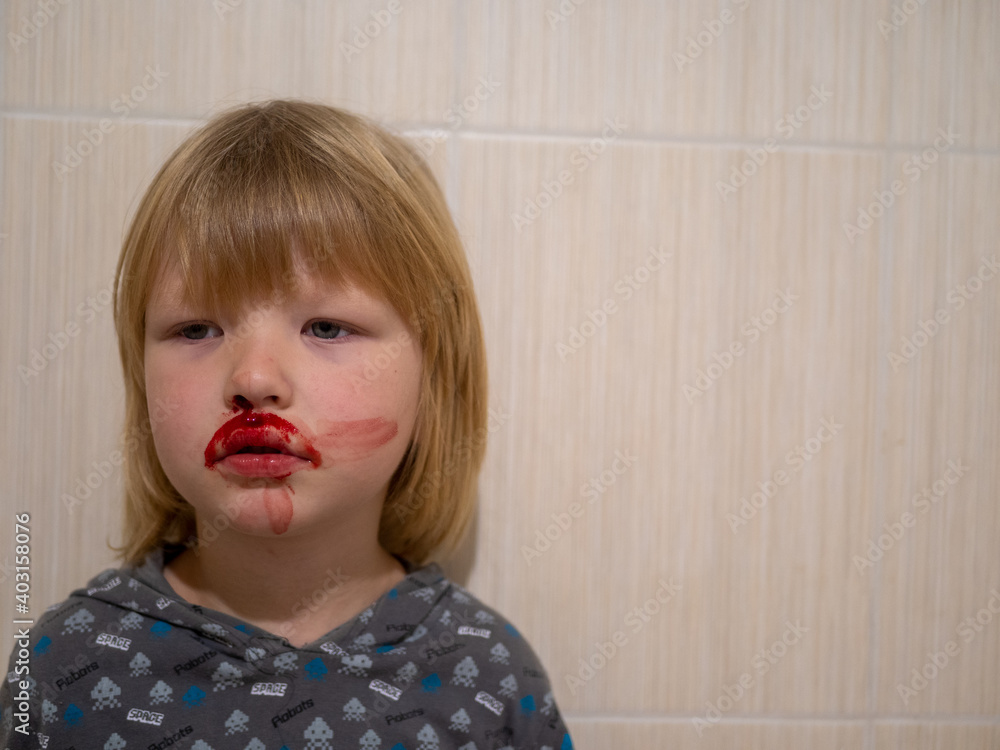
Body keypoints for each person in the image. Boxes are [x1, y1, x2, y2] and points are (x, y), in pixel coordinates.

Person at [1, 100, 572, 750]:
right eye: (197, 329)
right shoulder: (62, 670)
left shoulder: (488, 681)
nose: (253, 378)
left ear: (432, 377)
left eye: (326, 327)